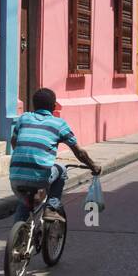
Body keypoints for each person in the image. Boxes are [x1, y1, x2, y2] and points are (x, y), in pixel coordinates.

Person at [9, 88, 102, 223]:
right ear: (54, 106)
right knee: (61, 169)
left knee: (25, 203)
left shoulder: (24, 118)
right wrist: (93, 166)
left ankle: (17, 239)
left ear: (34, 105)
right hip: (39, 177)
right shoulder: (59, 124)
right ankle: (52, 207)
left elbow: (14, 142)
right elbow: (79, 152)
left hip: (15, 177)